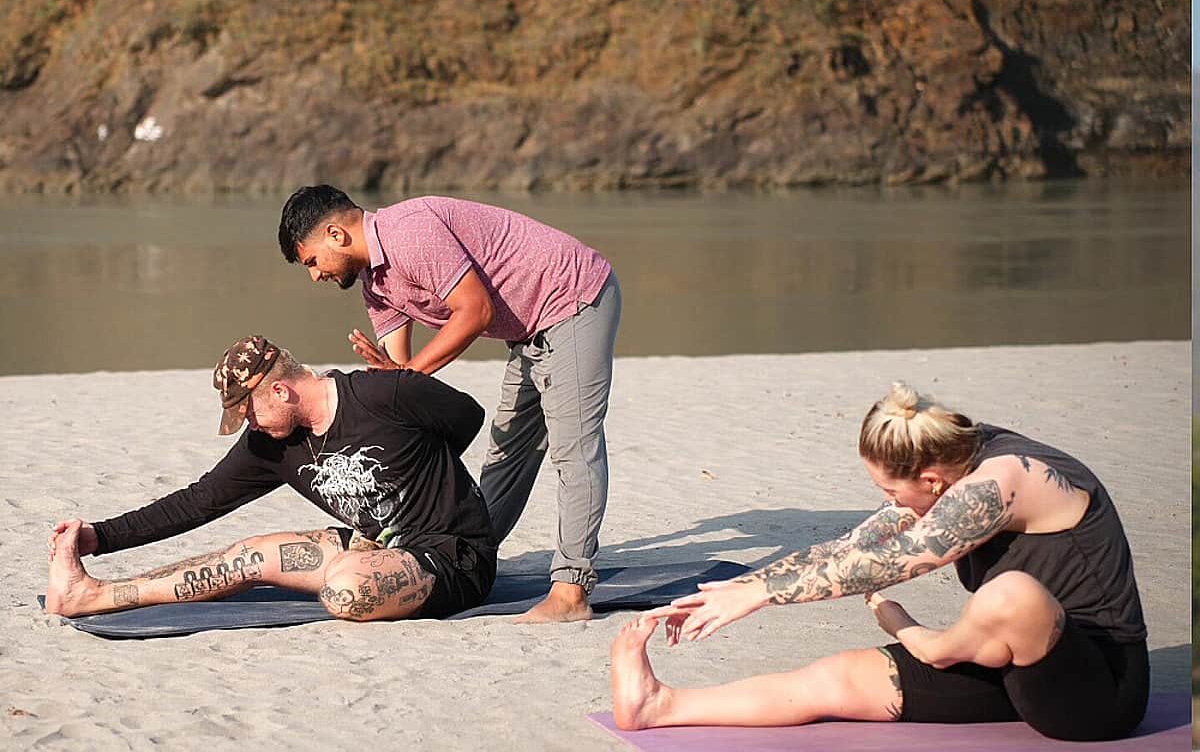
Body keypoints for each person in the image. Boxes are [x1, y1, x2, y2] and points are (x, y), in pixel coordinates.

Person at [610, 382, 1148, 742]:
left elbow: (890, 565)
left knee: (1011, 595)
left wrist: (761, 596)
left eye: (891, 490)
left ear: (932, 481)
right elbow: (854, 546)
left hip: (1096, 689)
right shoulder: (949, 457)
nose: (889, 503)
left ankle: (933, 646)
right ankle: (657, 705)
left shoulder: (1001, 482)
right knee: (836, 678)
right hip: (1009, 667)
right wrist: (740, 587)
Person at [277, 186, 621, 623]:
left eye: (311, 261)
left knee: (575, 448)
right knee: (506, 453)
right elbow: (401, 382)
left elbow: (473, 311)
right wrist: (388, 392)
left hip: (572, 300)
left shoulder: (408, 233)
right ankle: (469, 551)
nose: (314, 275)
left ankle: (571, 593)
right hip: (528, 330)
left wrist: (407, 377)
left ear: (335, 234)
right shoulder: (377, 285)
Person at [45, 335, 496, 623]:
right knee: (249, 556)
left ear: (280, 390)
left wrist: (431, 472)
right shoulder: (273, 445)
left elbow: (467, 417)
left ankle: (353, 565)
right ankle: (91, 595)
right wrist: (100, 537)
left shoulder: (387, 394)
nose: (251, 426)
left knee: (346, 590)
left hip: (453, 556)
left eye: (250, 413)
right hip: (372, 546)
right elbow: (198, 500)